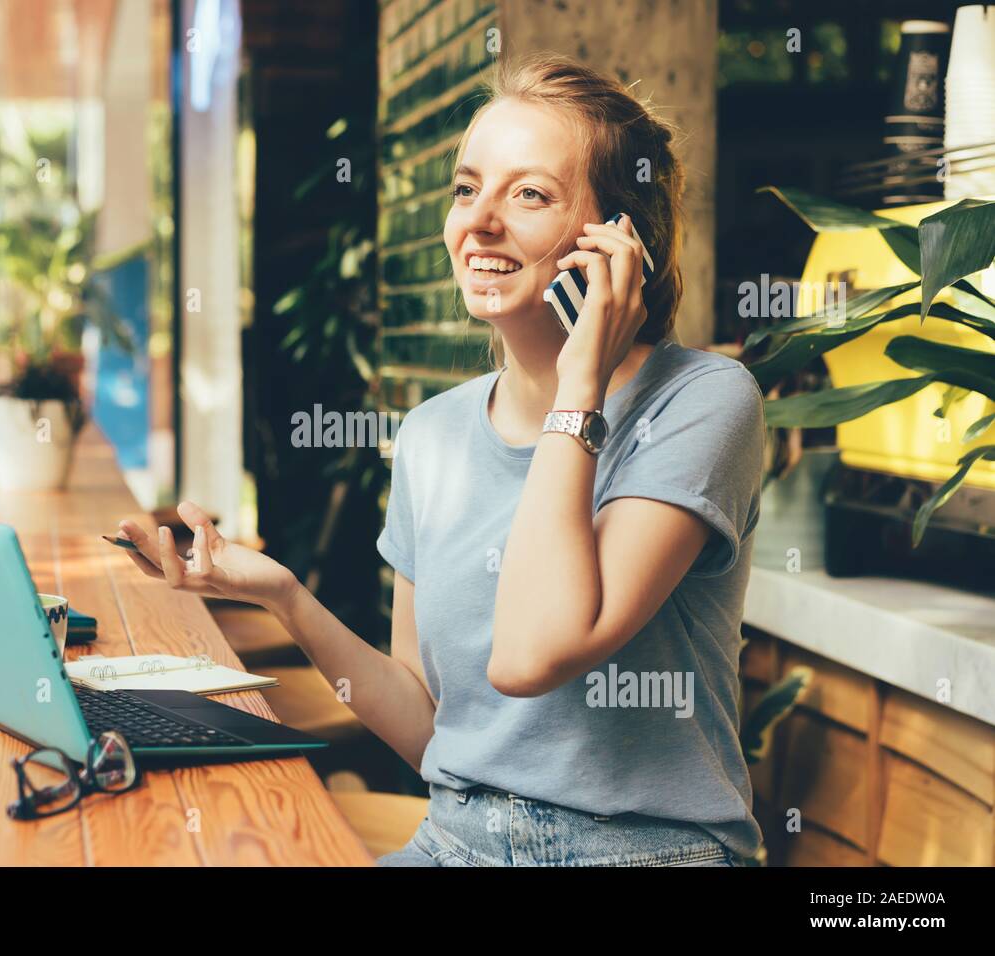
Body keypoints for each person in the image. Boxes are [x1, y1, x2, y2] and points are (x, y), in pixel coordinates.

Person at [115, 53, 766, 867]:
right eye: (468, 189)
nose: (479, 222)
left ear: (618, 241)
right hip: (456, 843)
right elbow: (435, 731)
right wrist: (282, 593)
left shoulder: (704, 402)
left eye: (529, 194)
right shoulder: (431, 435)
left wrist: (580, 385)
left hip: (644, 849)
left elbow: (533, 654)